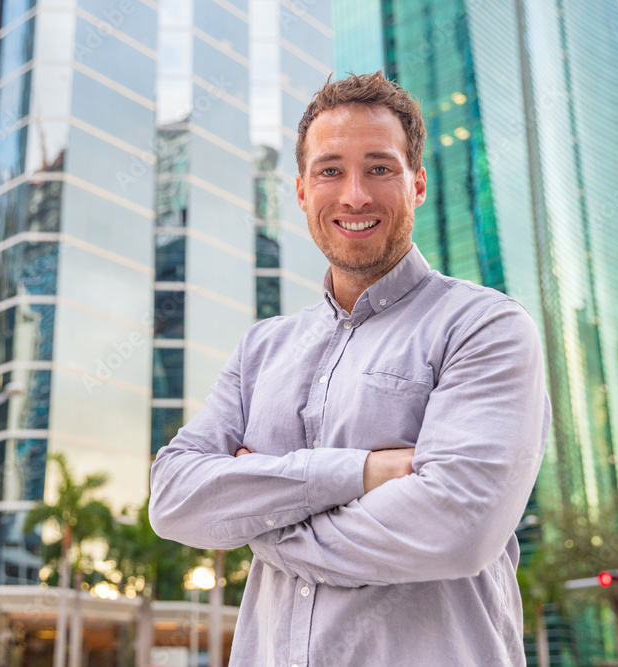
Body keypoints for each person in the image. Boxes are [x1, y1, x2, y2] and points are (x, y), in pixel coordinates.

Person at [148, 71, 550, 666]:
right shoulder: (260, 350)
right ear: (303, 190)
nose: (354, 195)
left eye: (379, 168)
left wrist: (258, 518)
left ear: (416, 184)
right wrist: (363, 474)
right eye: (330, 170)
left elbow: (458, 527)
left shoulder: (484, 327)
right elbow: (174, 497)